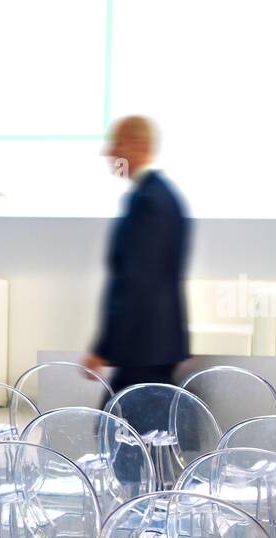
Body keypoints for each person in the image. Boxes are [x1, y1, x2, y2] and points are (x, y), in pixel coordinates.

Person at [82, 116, 191, 393]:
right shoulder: (157, 195)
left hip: (145, 346)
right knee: (127, 430)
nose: (108, 151)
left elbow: (137, 281)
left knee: (117, 430)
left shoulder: (149, 201)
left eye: (117, 143)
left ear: (139, 145)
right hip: (149, 346)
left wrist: (104, 347)